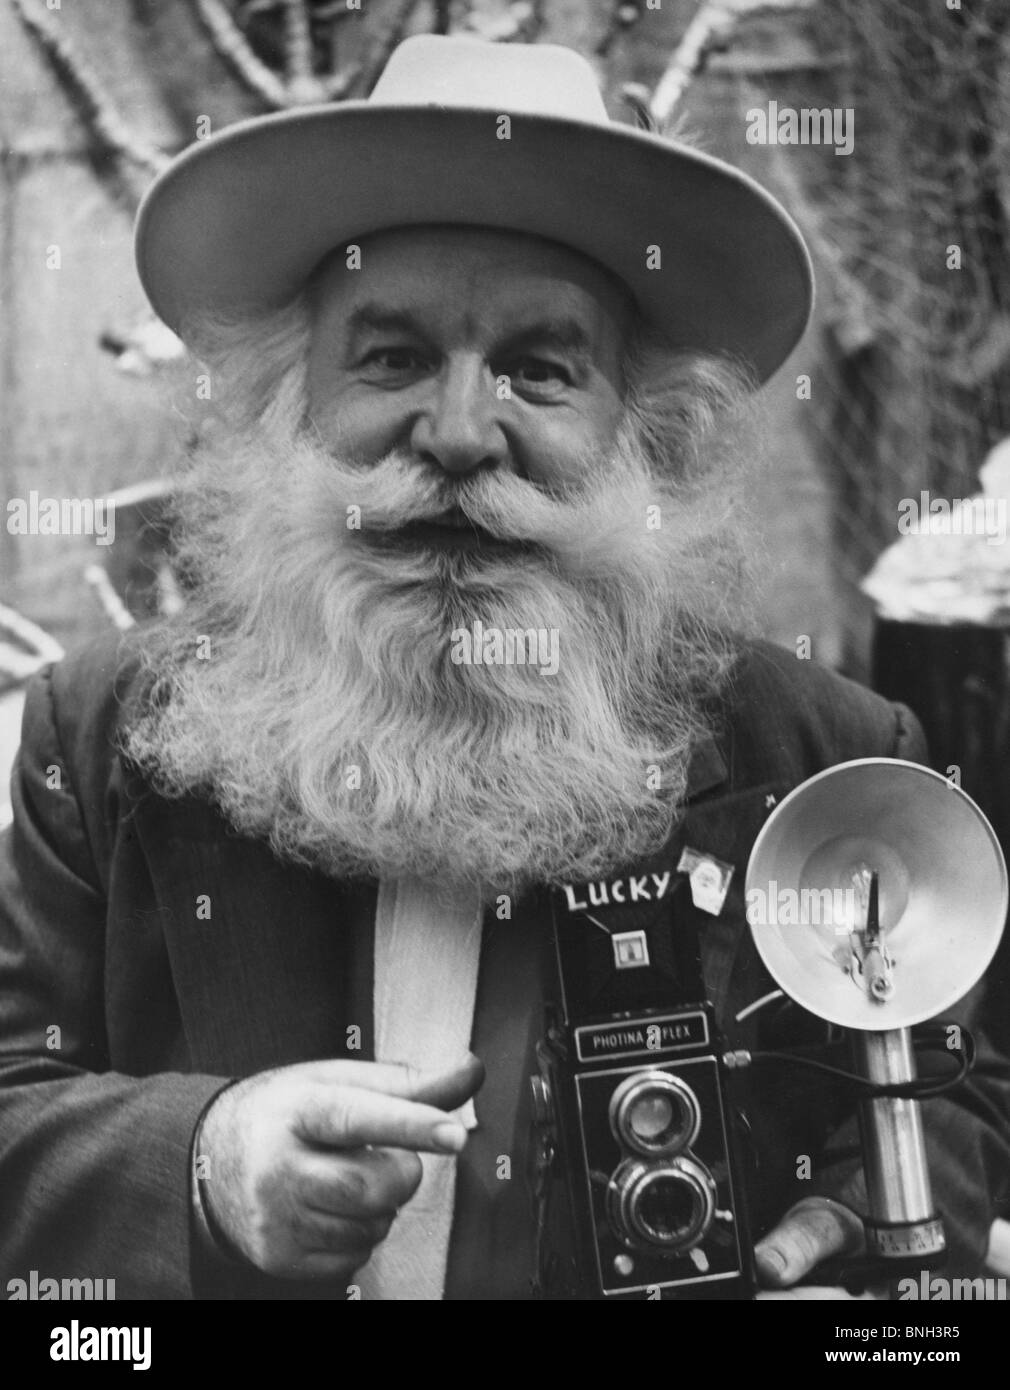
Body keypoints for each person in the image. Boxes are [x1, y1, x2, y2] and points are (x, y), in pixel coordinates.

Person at [1, 34, 1007, 1302]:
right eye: (391, 358)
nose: (463, 434)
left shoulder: (834, 763)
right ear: (285, 404)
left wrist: (845, 1246)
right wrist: (204, 1158)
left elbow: (956, 1105)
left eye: (538, 368)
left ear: (640, 432)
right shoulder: (98, 739)